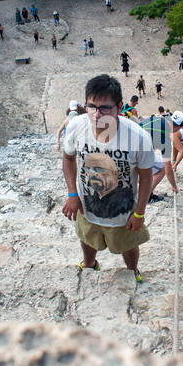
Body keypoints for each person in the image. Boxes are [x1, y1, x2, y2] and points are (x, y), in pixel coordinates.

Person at [61, 74, 155, 283]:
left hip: (122, 211)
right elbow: (68, 158)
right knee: (86, 236)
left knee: (128, 244)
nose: (96, 114)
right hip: (87, 205)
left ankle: (132, 271)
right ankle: (89, 264)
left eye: (105, 108)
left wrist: (139, 213)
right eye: (92, 106)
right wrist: (72, 193)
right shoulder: (77, 126)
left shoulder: (137, 137)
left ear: (119, 107)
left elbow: (146, 177)